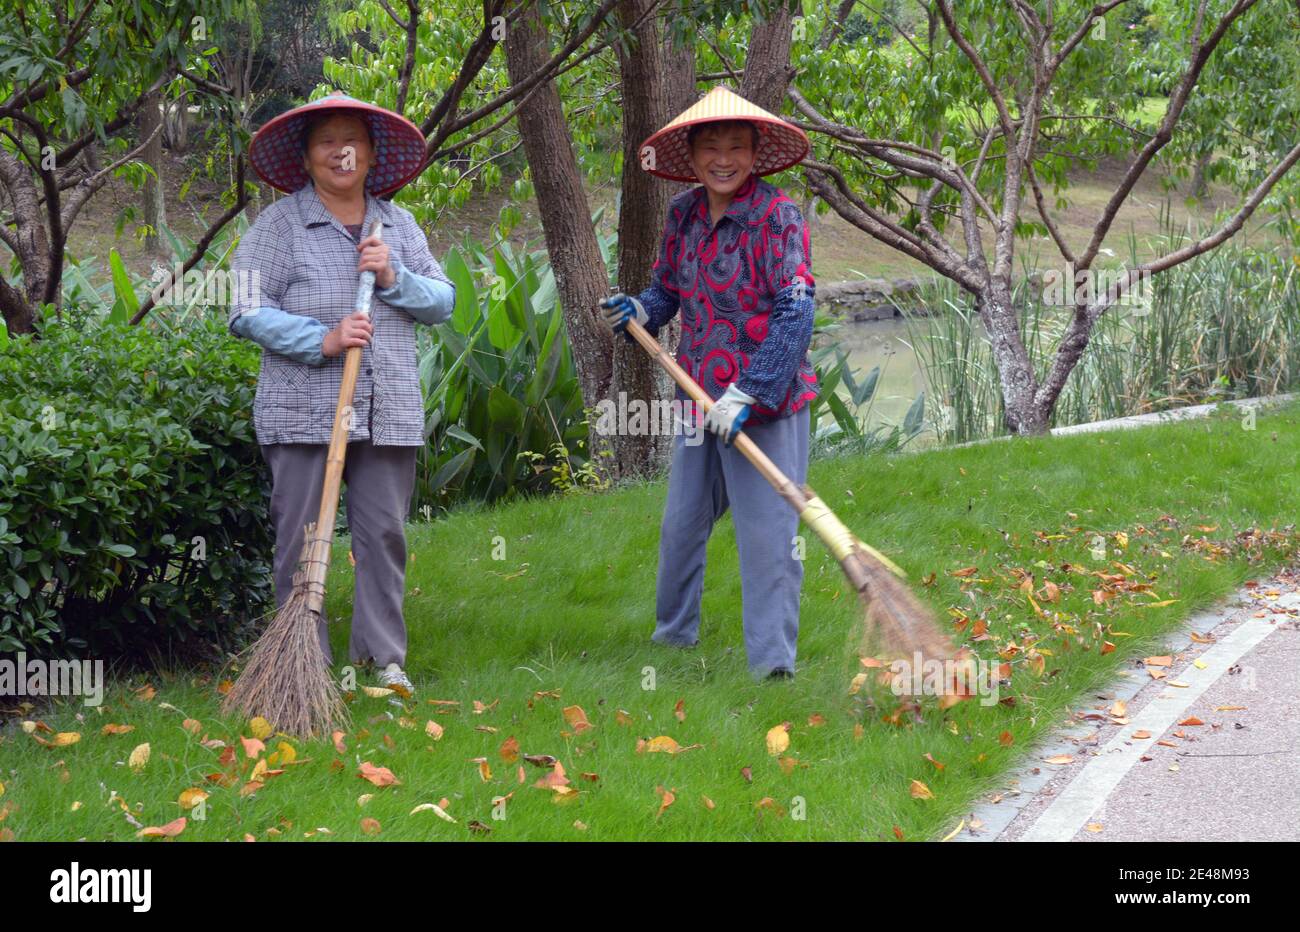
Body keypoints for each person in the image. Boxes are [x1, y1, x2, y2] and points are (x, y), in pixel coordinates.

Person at [230, 92, 454, 696]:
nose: (340, 149)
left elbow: (443, 301)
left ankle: (381, 660)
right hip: (304, 409)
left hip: (387, 407)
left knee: (383, 532)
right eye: (326, 139)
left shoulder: (398, 224)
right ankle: (302, 662)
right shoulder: (279, 225)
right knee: (302, 535)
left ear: (373, 152)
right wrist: (323, 339)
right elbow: (245, 308)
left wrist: (391, 276)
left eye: (352, 137)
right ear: (305, 157)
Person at [601, 86, 818, 679]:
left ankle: (772, 668)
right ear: (693, 158)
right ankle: (672, 640)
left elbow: (797, 311)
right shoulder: (684, 215)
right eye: (712, 148)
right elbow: (668, 291)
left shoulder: (779, 216)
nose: (724, 159)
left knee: (768, 536)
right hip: (697, 399)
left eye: (737, 147)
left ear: (755, 153)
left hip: (765, 406)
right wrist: (640, 312)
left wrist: (749, 393)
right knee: (682, 524)